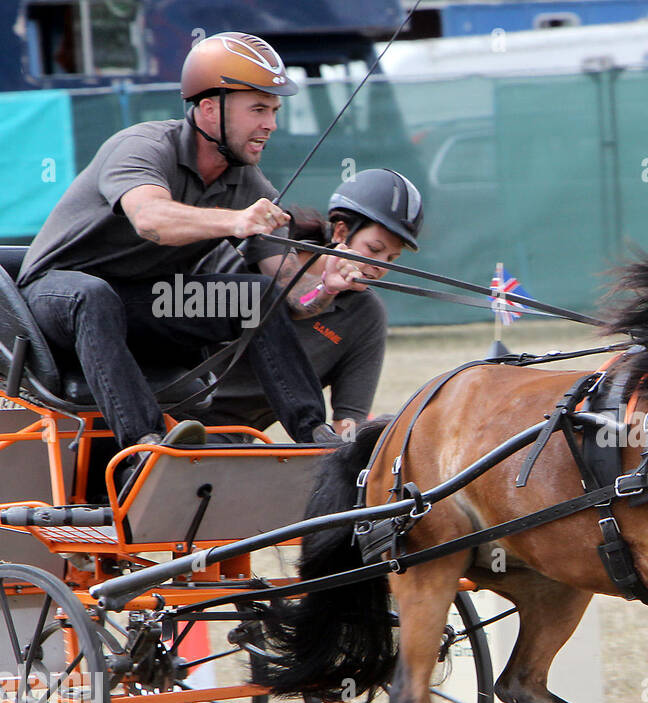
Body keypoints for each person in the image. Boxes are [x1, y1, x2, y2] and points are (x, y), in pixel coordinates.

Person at [15, 31, 369, 465]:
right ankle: (145, 449)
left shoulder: (249, 185)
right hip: (51, 301)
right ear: (208, 108)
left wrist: (324, 287)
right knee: (94, 295)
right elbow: (150, 219)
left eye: (274, 111)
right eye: (258, 109)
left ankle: (314, 436)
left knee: (255, 297)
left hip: (146, 303)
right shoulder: (141, 148)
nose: (271, 124)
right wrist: (236, 220)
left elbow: (290, 297)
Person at [199, 169, 423, 440]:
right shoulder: (258, 258)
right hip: (171, 411)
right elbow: (296, 299)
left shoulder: (366, 315)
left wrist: (356, 452)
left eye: (391, 258)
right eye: (374, 250)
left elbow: (348, 421)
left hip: (230, 439)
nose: (380, 267)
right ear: (341, 231)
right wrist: (325, 289)